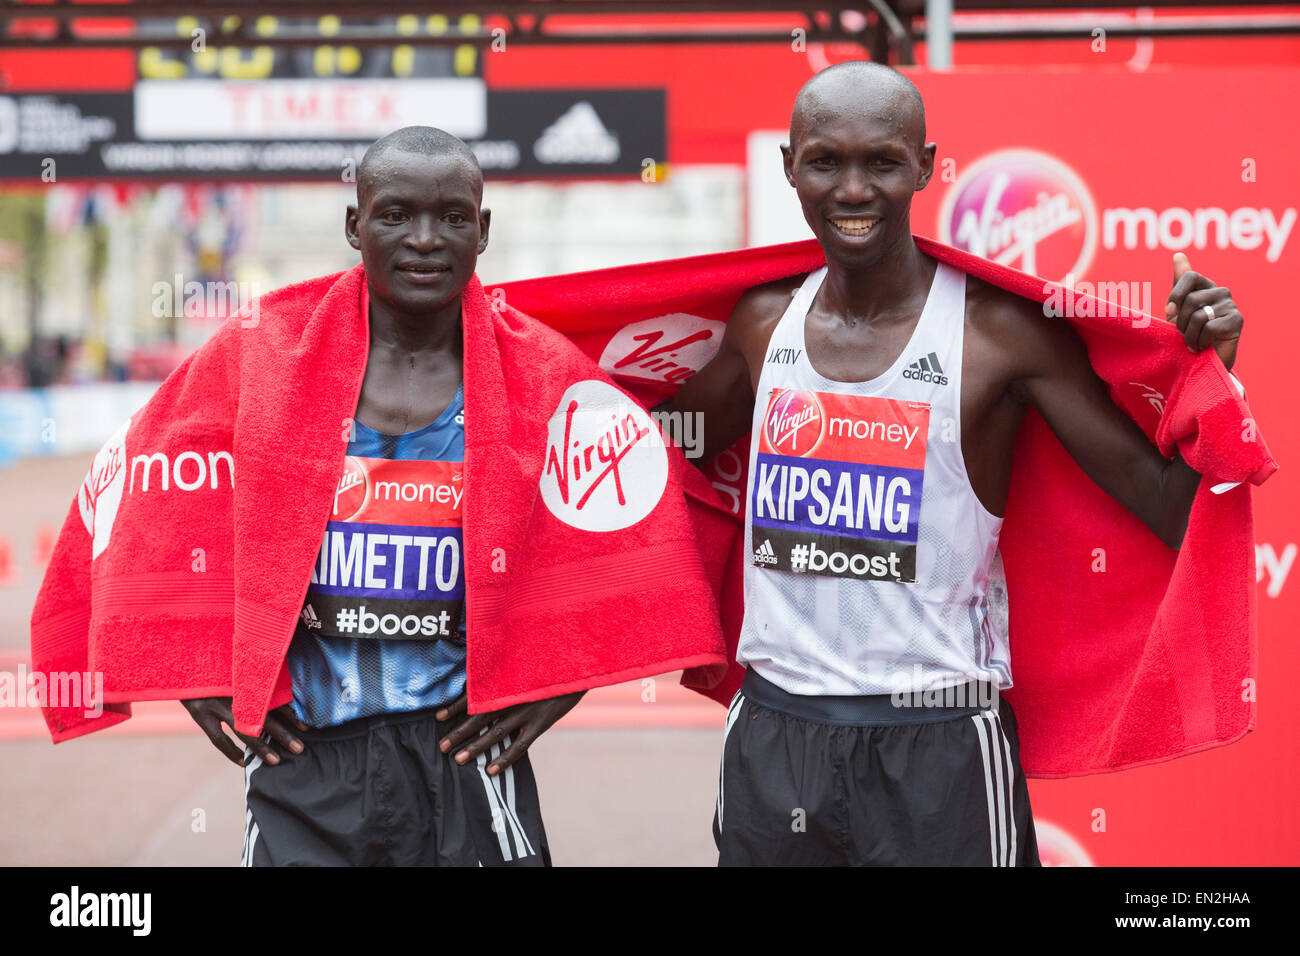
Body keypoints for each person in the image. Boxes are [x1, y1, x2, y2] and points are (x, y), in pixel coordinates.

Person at [665, 61, 1247, 866]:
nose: (854, 189)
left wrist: (1212, 377)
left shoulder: (997, 336)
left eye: (883, 162)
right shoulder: (766, 325)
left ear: (927, 165)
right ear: (790, 168)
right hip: (776, 737)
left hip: (937, 747)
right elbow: (664, 448)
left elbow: (1169, 506)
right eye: (826, 162)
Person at [180, 127, 584, 866]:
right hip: (306, 758)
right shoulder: (260, 357)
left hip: (462, 760)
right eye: (396, 214)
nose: (425, 239)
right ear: (354, 225)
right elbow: (161, 496)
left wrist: (566, 678)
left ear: (483, 230)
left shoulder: (544, 373)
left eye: (453, 217)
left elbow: (620, 528)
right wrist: (189, 667)